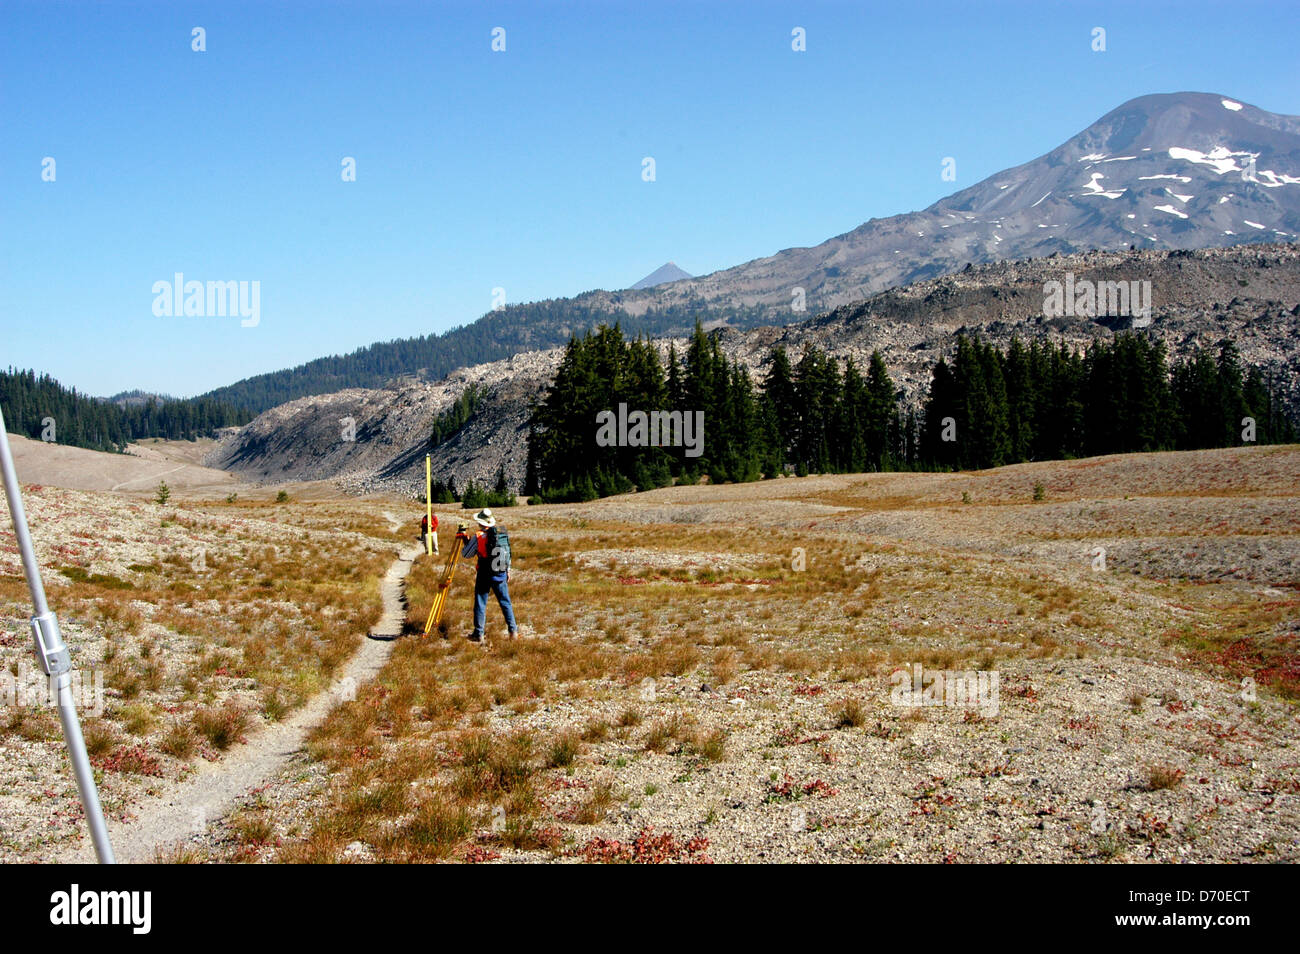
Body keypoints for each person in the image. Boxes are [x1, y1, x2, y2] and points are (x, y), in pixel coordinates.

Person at [464, 507, 517, 644]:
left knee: (481, 603)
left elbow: (466, 554)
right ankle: (513, 631)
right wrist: (508, 571)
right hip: (500, 573)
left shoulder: (479, 536)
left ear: (480, 522)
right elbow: (507, 553)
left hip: (484, 573)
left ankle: (479, 633)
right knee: (505, 603)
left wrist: (467, 542)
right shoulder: (501, 533)